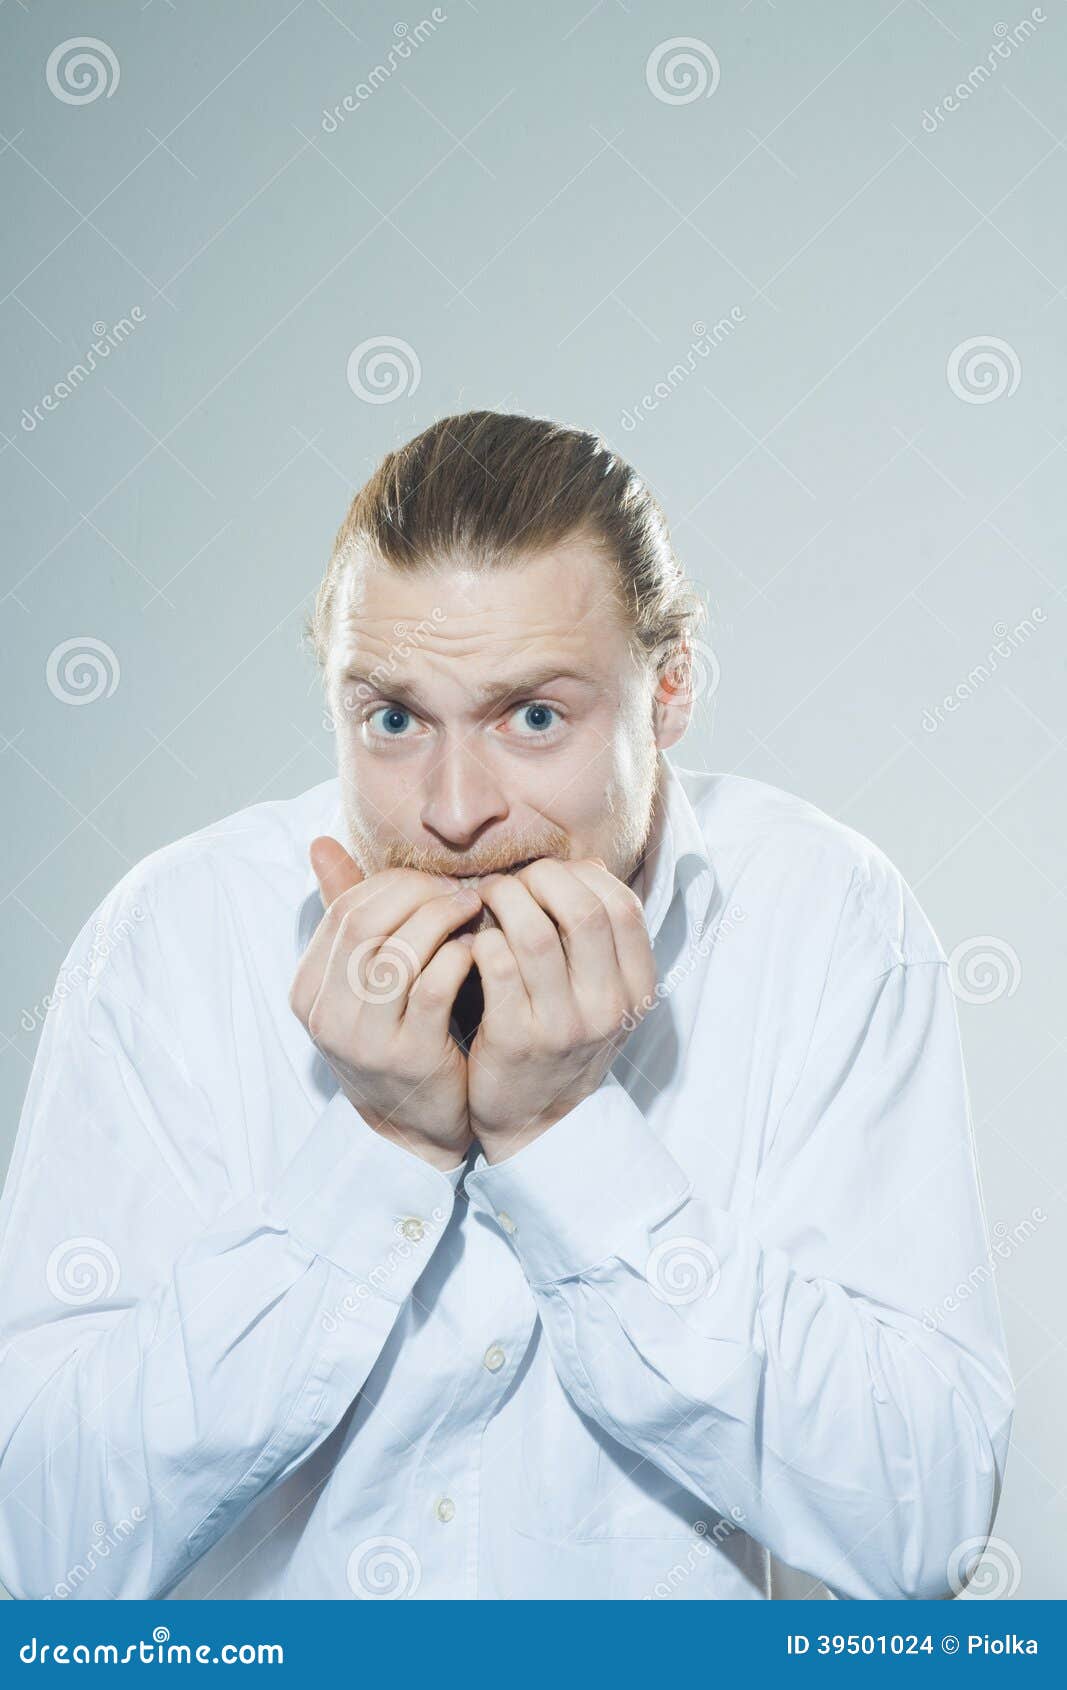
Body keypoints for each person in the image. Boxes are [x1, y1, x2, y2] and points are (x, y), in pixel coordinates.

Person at [0, 412, 1013, 1601]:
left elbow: (923, 1530)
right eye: (393, 720)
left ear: (669, 691)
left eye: (532, 717)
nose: (453, 810)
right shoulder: (173, 937)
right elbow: (38, 1554)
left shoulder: (826, 917)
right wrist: (377, 1145)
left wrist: (561, 1137)